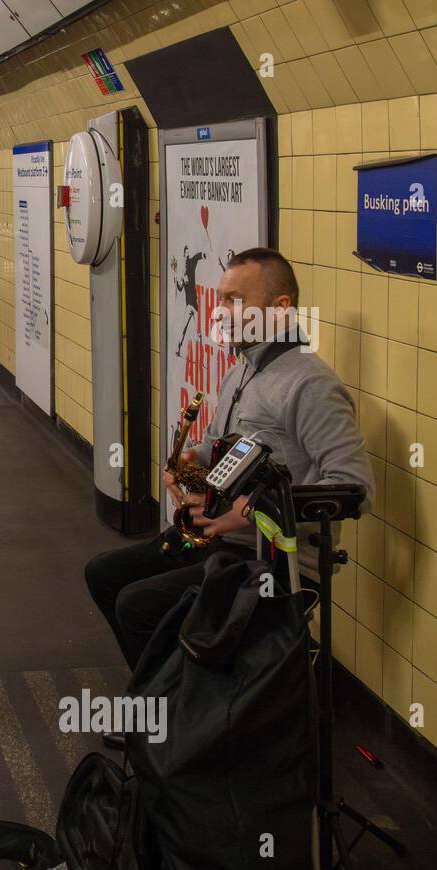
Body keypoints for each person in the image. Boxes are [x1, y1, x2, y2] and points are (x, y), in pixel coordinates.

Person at [84, 248, 374, 678]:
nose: (220, 313)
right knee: (104, 575)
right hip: (221, 543)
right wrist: (188, 459)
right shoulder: (243, 369)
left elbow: (355, 491)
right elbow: (218, 448)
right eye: (220, 300)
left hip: (271, 564)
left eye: (235, 301)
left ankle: (181, 718)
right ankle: (172, 708)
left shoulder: (311, 385)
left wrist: (247, 513)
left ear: (280, 309)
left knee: (137, 606)